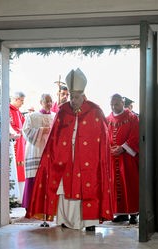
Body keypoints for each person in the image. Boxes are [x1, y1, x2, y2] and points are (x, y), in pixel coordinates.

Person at [26, 68, 114, 231]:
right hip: (65, 158)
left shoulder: (95, 111)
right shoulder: (63, 111)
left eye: (76, 97)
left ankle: (89, 222)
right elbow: (54, 137)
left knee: (89, 187)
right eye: (71, 97)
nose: (73, 100)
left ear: (84, 96)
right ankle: (65, 220)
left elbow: (103, 138)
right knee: (63, 188)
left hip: (89, 159)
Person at [107, 94, 139, 224]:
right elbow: (104, 135)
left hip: (127, 158)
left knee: (130, 184)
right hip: (113, 157)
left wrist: (123, 147)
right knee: (115, 185)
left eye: (117, 104)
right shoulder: (107, 118)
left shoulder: (132, 118)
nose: (114, 107)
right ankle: (120, 214)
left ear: (122, 102)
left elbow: (136, 135)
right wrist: (109, 148)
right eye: (112, 104)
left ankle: (133, 213)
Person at [22, 93, 55, 210]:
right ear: (41, 102)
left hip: (51, 151)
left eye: (51, 101)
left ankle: (47, 207)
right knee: (34, 176)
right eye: (47, 101)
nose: (49, 104)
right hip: (36, 150)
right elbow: (25, 131)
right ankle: (31, 206)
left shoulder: (55, 116)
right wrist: (41, 130)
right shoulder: (32, 116)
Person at [9, 91, 26, 204]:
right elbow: (10, 126)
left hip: (21, 143)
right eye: (21, 101)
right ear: (16, 99)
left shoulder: (18, 112)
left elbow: (24, 124)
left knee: (20, 170)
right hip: (14, 144)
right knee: (14, 169)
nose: (23, 103)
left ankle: (19, 197)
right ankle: (13, 197)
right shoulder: (9, 110)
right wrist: (17, 132)